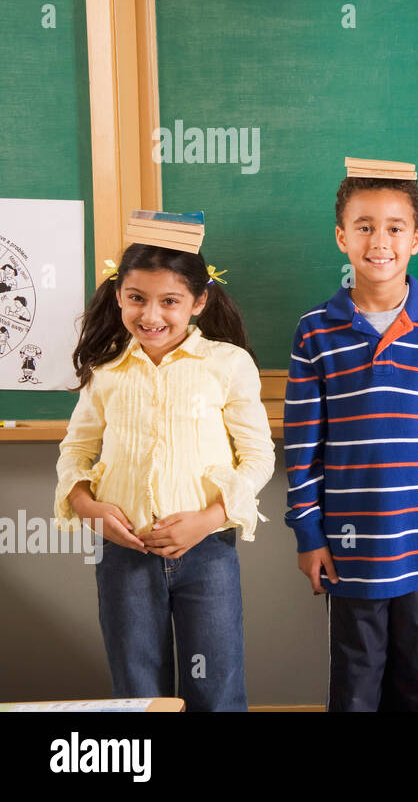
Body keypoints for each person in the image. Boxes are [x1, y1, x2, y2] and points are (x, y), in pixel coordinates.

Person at [284, 173, 418, 712]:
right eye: (364, 227)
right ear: (341, 237)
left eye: (395, 228)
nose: (380, 242)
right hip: (349, 546)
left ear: (415, 238)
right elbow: (302, 445)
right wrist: (308, 533)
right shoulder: (315, 331)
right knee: (355, 685)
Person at [55, 244, 273, 711]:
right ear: (118, 297)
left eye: (169, 301)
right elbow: (76, 449)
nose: (151, 314)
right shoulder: (107, 369)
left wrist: (208, 519)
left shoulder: (227, 364)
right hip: (125, 552)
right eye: (136, 298)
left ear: (198, 302)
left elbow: (257, 458)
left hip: (207, 550)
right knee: (138, 686)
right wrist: (88, 506)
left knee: (214, 684)